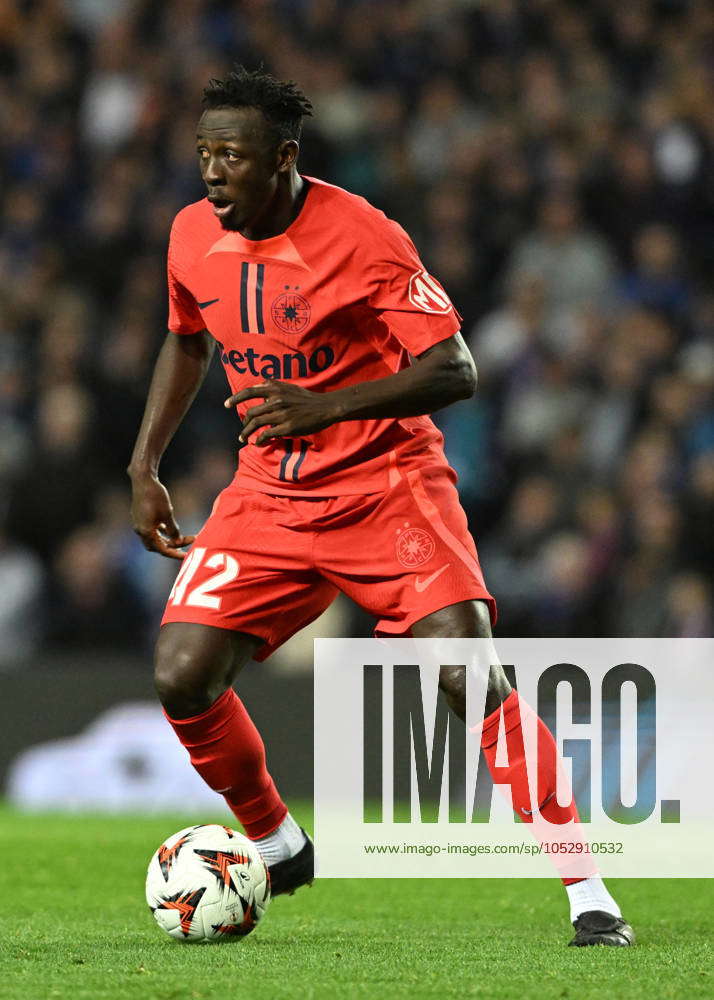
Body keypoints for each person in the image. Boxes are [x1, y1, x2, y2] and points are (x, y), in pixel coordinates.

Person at [129, 67, 633, 947]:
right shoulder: (188, 236)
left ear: (283, 159)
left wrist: (327, 407)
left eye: (234, 156)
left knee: (467, 677)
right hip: (269, 494)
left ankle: (588, 891)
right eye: (205, 152)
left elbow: (456, 369)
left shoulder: (363, 234)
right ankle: (281, 845)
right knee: (180, 673)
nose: (213, 172)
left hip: (386, 484)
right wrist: (144, 464)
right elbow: (185, 341)